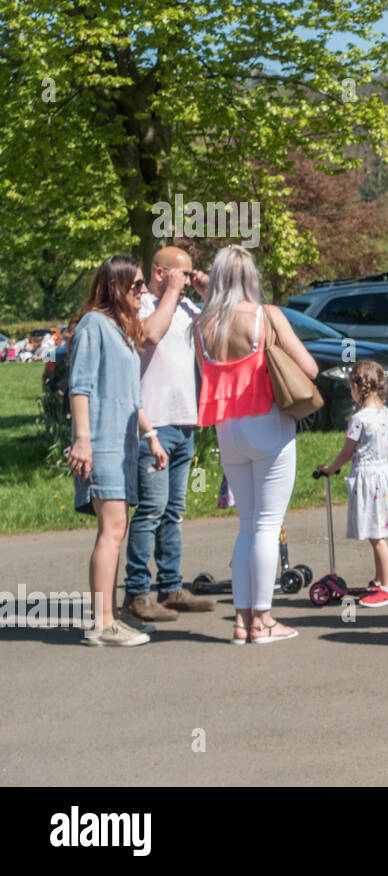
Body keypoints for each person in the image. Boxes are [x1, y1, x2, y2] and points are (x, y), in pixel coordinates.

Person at [195, 245, 317, 645]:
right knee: (268, 523)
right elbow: (310, 368)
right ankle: (263, 621)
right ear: (250, 277)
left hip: (226, 428)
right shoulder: (267, 316)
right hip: (267, 422)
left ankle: (241, 620)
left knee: (247, 523)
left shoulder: (202, 325)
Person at [65, 255, 169, 647]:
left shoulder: (124, 331)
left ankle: (109, 617)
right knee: (112, 529)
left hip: (124, 445)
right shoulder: (94, 325)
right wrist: (83, 440)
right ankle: (102, 625)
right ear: (115, 287)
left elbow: (132, 396)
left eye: (144, 285)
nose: (144, 292)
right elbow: (80, 386)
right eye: (136, 285)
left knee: (117, 528)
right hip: (102, 443)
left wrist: (151, 436)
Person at [123, 246, 217, 623]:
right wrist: (174, 292)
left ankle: (171, 586)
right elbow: (150, 336)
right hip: (154, 424)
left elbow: (223, 321)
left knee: (174, 512)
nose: (187, 280)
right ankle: (137, 592)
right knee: (151, 510)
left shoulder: (187, 308)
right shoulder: (141, 304)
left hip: (184, 422)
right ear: (160, 273)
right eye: (183, 274)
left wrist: (208, 290)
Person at [317, 359, 388, 608]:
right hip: (382, 475)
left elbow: (346, 453)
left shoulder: (359, 419)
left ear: (357, 387)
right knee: (377, 532)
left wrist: (329, 469)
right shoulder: (386, 414)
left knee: (377, 537)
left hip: (367, 478)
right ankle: (379, 579)